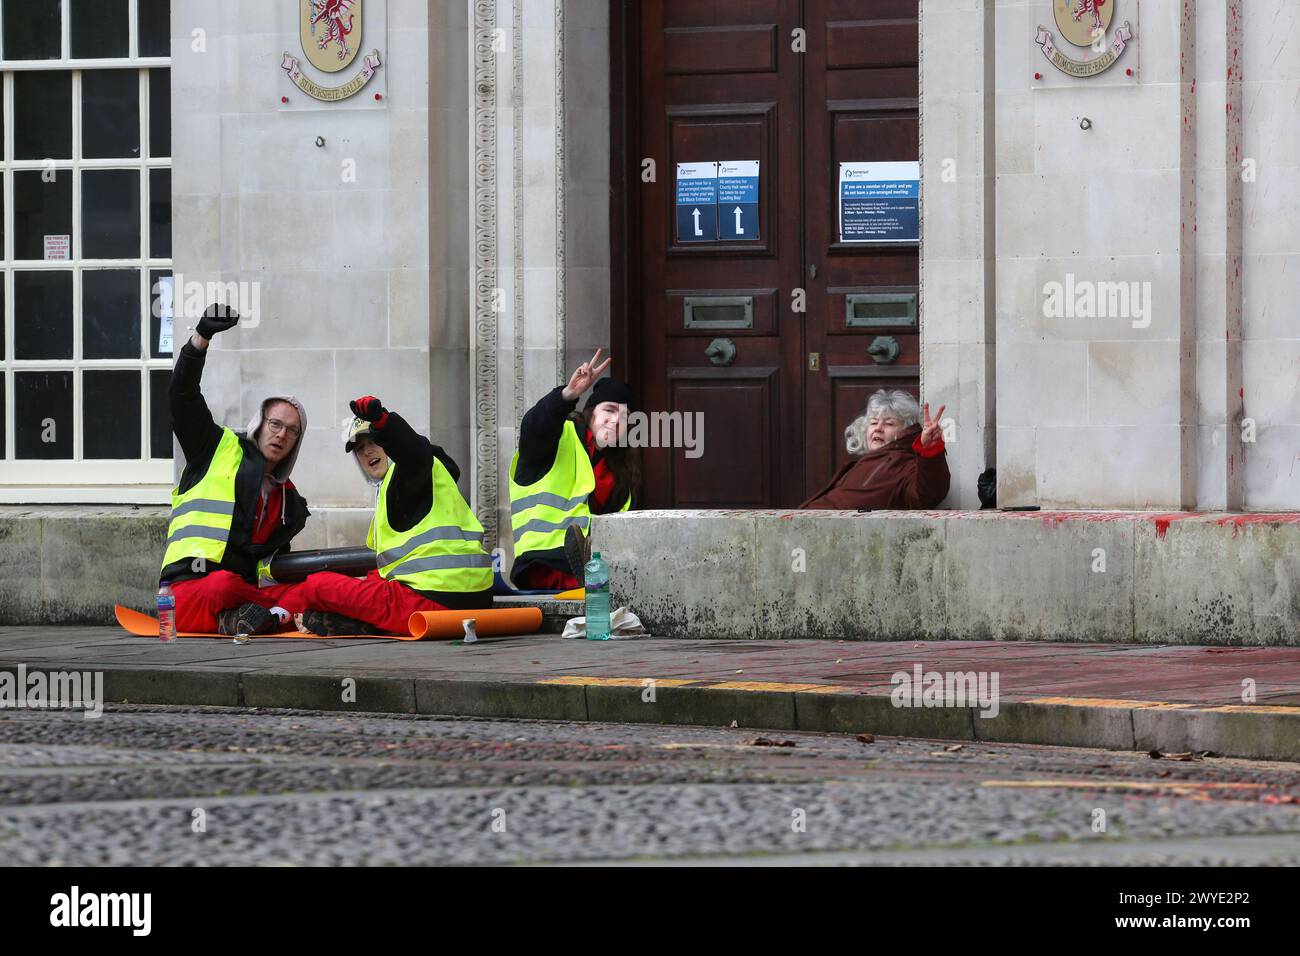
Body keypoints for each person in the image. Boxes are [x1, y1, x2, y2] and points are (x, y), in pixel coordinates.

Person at [160, 305, 311, 635]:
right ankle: (270, 616)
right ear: (259, 423)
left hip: (247, 594)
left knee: (314, 587)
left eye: (291, 430)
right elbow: (181, 396)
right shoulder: (215, 446)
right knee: (223, 585)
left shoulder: (289, 498)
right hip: (189, 589)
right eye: (275, 424)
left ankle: (248, 618)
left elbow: (270, 567)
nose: (281, 434)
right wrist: (201, 338)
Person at [291, 395, 493, 636]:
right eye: (359, 448)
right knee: (372, 579)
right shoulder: (433, 475)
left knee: (317, 585)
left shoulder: (406, 474)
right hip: (477, 595)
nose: (367, 452)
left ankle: (291, 616)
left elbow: (414, 454)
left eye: (373, 442)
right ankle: (347, 621)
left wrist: (383, 422)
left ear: (389, 443)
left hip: (432, 601)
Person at [508, 348, 640, 590]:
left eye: (626, 416)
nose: (616, 420)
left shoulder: (620, 469)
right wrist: (567, 395)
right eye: (609, 410)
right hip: (544, 564)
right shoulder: (560, 435)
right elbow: (533, 428)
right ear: (590, 413)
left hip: (593, 569)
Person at [800, 389, 949, 510]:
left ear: (906, 431)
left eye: (889, 424)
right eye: (873, 422)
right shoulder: (861, 463)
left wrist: (930, 451)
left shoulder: (904, 464)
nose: (878, 428)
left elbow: (927, 495)